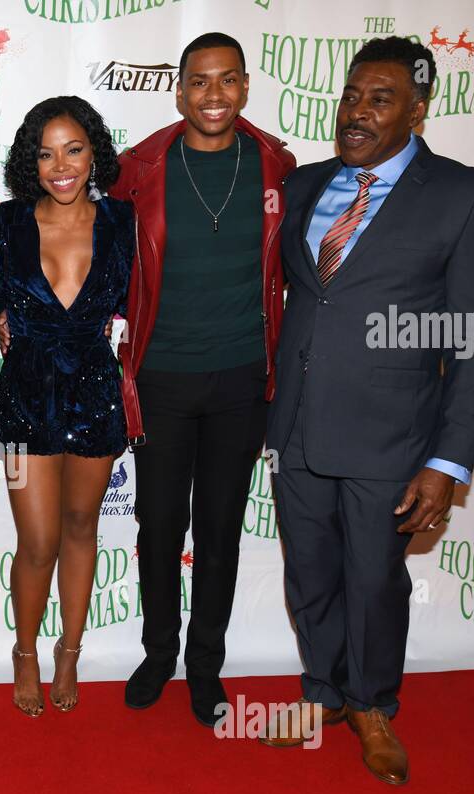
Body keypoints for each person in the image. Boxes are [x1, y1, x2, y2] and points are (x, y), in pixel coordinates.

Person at [259, 37, 474, 784]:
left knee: (373, 578)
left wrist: (447, 459)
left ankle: (372, 707)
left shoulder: (466, 195)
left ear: (418, 111)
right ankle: (323, 693)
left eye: (380, 99)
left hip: (392, 435)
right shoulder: (303, 187)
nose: (357, 113)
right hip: (297, 425)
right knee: (309, 573)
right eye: (351, 96)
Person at [108, 33, 296, 726]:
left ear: (244, 86)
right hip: (160, 378)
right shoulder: (141, 170)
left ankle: (204, 665)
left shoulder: (277, 168)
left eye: (226, 81)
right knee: (160, 527)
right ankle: (159, 652)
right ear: (179, 89)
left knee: (220, 530)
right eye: (198, 81)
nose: (212, 95)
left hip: (243, 379)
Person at [0, 96, 134, 715]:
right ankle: (25, 651)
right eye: (46, 154)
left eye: (74, 149)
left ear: (94, 153)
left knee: (81, 528)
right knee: (38, 540)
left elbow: (147, 296)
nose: (61, 165)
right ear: (31, 162)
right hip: (24, 395)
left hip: (96, 396)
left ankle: (69, 652)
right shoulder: (5, 222)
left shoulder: (124, 221)